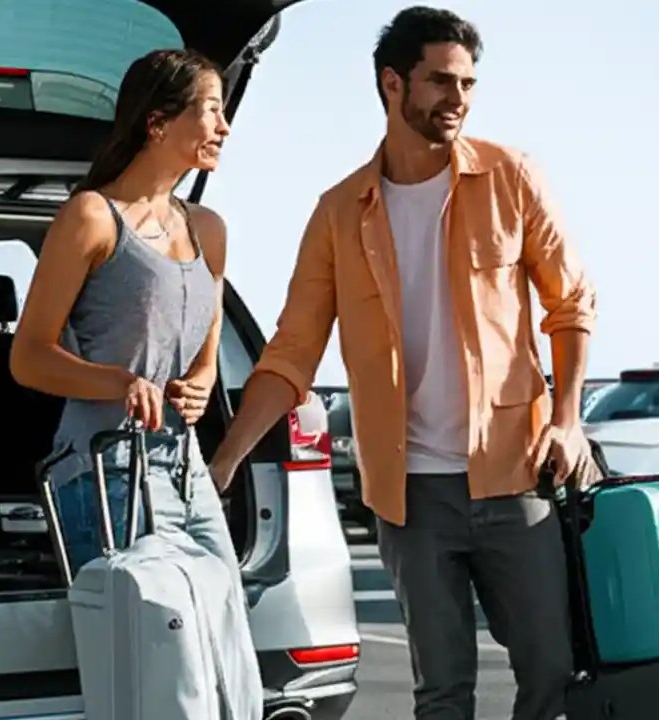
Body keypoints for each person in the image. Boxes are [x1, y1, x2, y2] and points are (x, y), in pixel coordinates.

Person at [209, 7, 597, 720]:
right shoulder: (338, 212)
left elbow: (570, 304)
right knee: (442, 691)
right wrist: (227, 460)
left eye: (469, 84)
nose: (459, 100)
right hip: (411, 496)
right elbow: (292, 351)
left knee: (553, 672)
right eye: (442, 82)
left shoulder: (511, 177)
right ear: (393, 84)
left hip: (516, 474)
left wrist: (568, 421)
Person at [10, 48, 261, 719]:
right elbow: (29, 357)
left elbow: (204, 351)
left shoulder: (207, 228)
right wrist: (119, 381)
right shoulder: (91, 217)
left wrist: (202, 382)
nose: (225, 126)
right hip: (104, 474)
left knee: (224, 649)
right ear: (157, 122)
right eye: (212, 108)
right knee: (146, 673)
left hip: (185, 473)